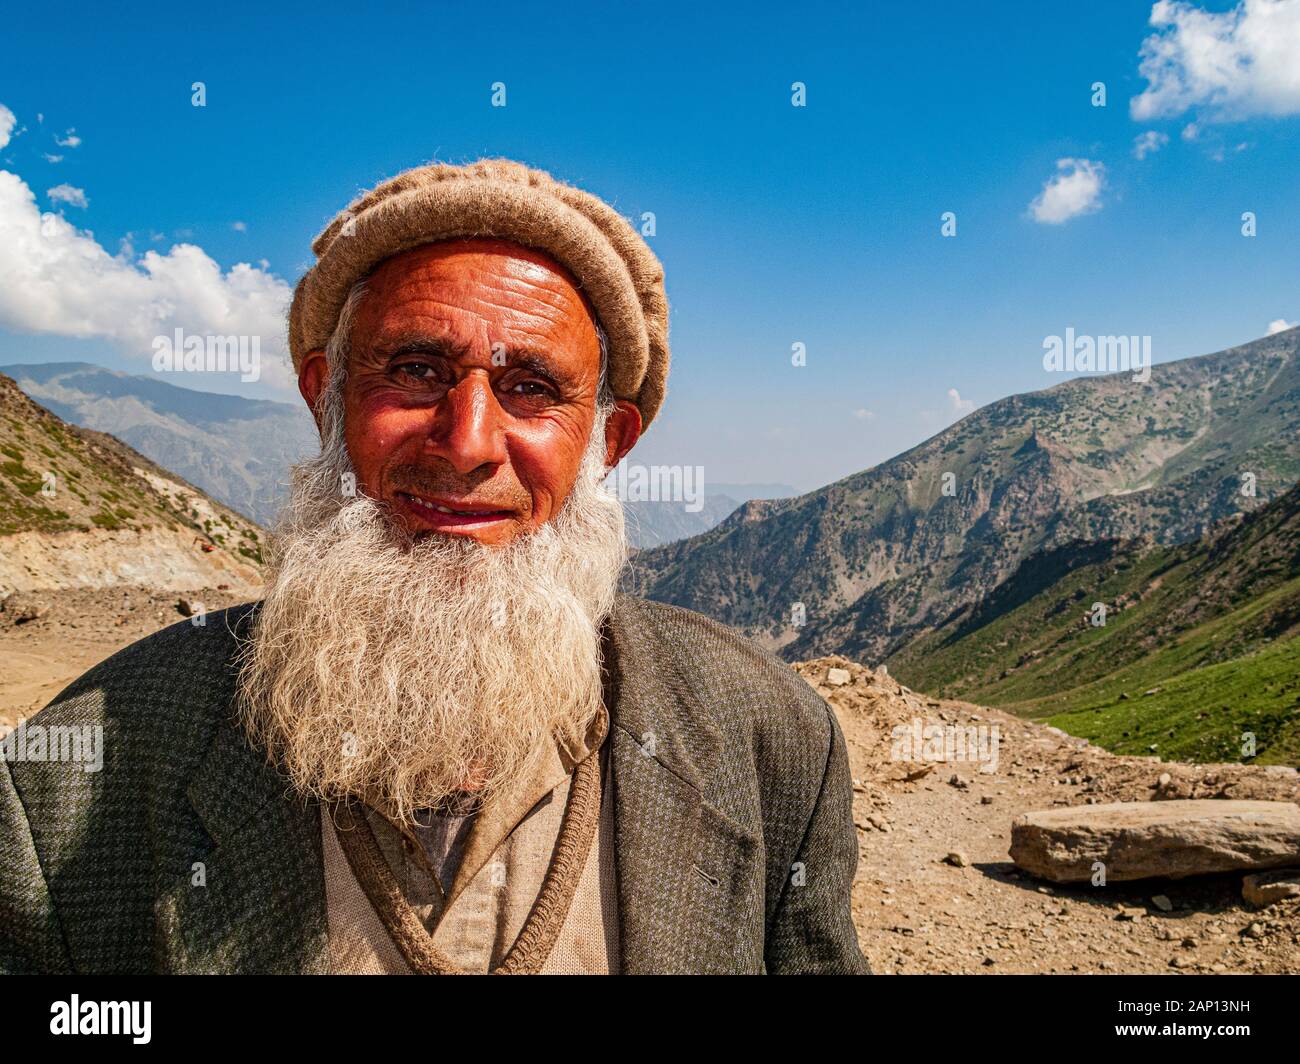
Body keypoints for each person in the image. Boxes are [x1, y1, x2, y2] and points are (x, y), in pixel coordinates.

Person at [0, 159, 869, 974]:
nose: (466, 445)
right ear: (324, 399)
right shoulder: (72, 785)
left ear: (608, 441)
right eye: (416, 370)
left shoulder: (775, 744)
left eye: (531, 388)